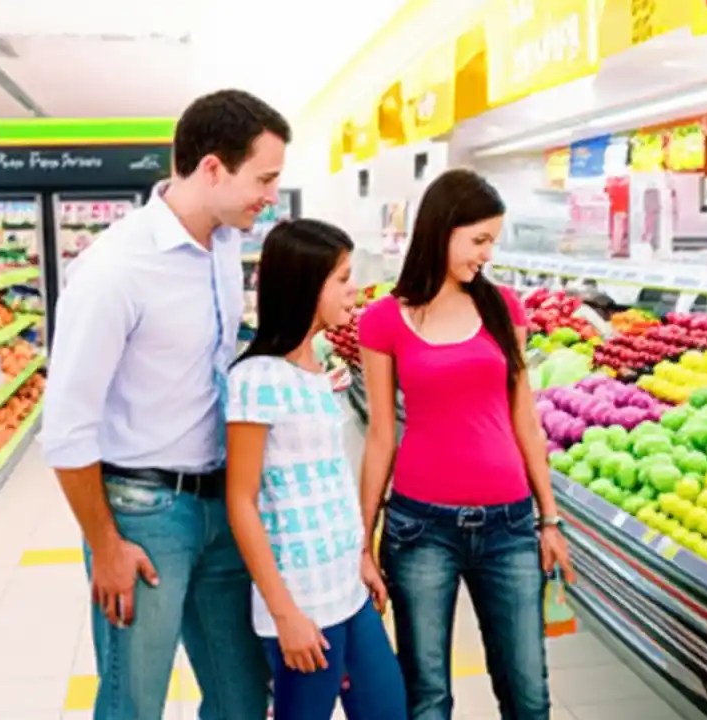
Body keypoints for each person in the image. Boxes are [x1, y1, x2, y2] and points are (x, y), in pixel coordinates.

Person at [40, 89, 287, 719]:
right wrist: (105, 542)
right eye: (264, 178)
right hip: (141, 515)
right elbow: (66, 428)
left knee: (241, 698)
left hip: (220, 504)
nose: (270, 195)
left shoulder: (227, 250)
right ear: (212, 168)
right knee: (134, 702)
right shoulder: (114, 269)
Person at [358, 168, 575, 720]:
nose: (486, 254)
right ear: (443, 228)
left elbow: (524, 415)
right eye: (479, 240)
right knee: (427, 697)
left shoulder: (503, 306)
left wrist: (549, 519)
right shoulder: (384, 319)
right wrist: (362, 541)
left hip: (509, 527)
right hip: (419, 529)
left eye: (492, 242)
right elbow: (382, 434)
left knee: (529, 695)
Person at [225, 219, 408, 720]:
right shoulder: (255, 378)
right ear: (307, 285)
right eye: (343, 278)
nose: (354, 291)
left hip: (346, 588)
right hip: (303, 603)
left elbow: (329, 478)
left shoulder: (315, 370)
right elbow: (241, 501)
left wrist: (362, 557)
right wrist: (285, 614)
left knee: (390, 708)